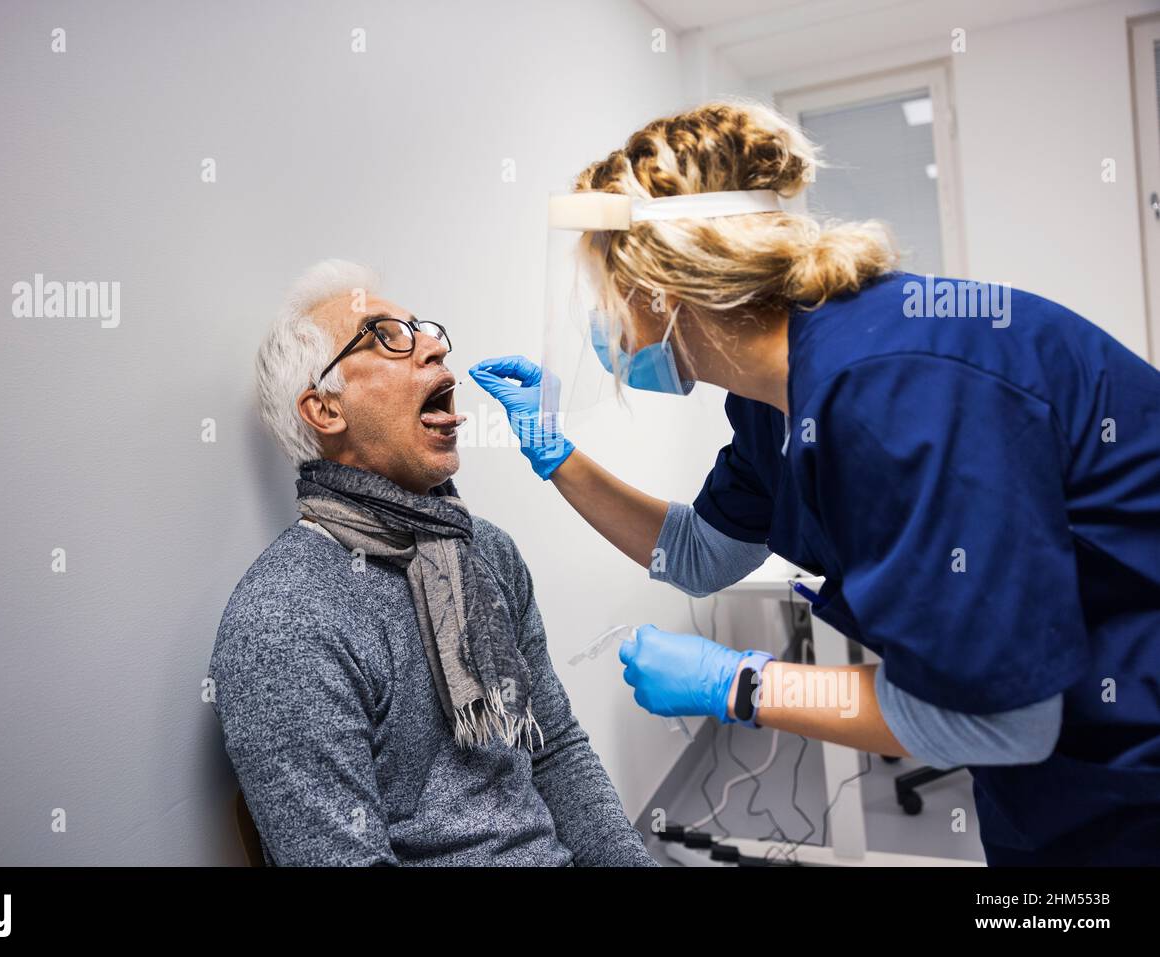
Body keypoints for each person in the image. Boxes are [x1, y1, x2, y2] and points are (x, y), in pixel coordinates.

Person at [469, 100, 1160, 865]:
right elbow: (695, 554)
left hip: (1128, 746)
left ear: (665, 284)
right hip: (1058, 773)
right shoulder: (776, 400)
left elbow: (1000, 720)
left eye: (606, 295)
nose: (600, 324)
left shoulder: (895, 388)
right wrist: (552, 451)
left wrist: (741, 684)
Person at [209, 259, 655, 866]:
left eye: (424, 329)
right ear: (326, 411)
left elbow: (556, 751)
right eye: (386, 336)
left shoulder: (485, 552)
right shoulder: (285, 619)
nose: (433, 345)